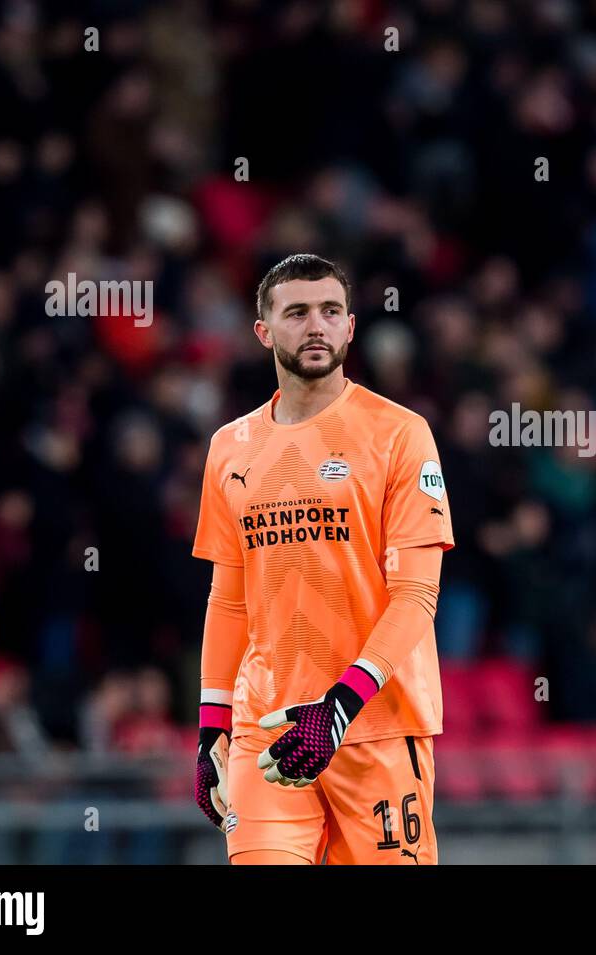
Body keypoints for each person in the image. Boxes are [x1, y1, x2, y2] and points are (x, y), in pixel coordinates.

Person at [191, 254, 454, 864]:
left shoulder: (399, 433)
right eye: (298, 312)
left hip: (377, 724)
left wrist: (339, 706)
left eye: (331, 311)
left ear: (351, 326)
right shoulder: (229, 448)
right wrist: (212, 726)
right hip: (269, 726)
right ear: (264, 331)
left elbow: (417, 595)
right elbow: (229, 598)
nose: (317, 325)